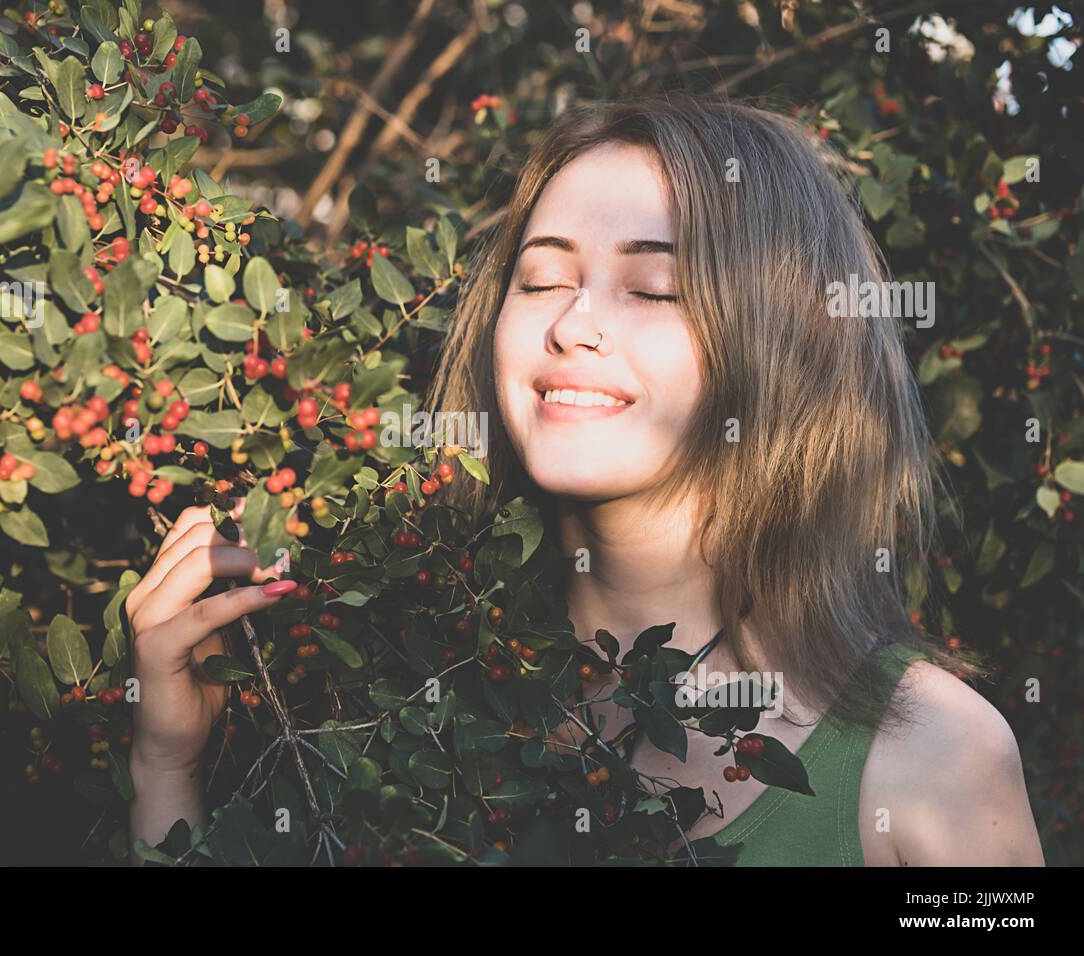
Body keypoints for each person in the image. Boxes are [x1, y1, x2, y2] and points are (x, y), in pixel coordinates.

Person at [128, 96, 1043, 866]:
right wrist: (168, 765)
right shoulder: (386, 691)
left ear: (787, 347)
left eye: (652, 289)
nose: (573, 323)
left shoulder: (936, 760)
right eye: (541, 279)